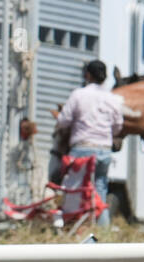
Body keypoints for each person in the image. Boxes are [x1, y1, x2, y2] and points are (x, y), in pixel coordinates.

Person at [54, 60, 122, 227]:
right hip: (104, 150)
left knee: (75, 190)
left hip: (82, 149)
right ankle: (102, 232)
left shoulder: (78, 94)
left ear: (87, 75)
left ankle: (73, 226)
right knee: (100, 192)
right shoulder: (113, 98)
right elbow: (118, 126)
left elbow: (64, 120)